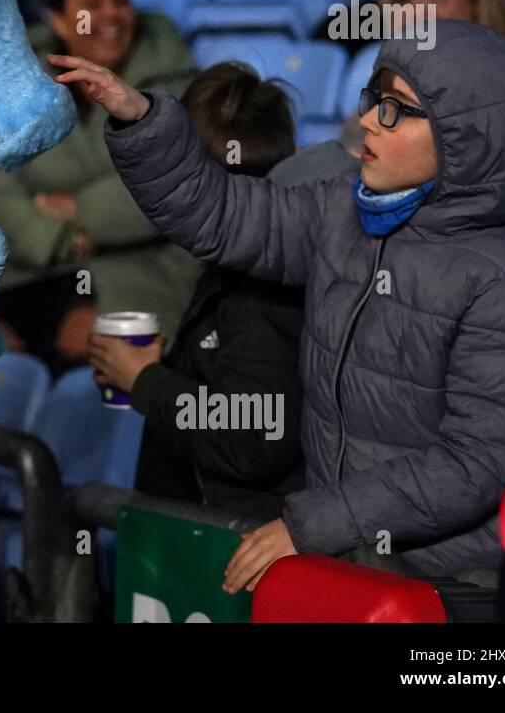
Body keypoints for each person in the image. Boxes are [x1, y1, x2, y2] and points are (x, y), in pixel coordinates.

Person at [51, 19, 505, 591]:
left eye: (397, 109)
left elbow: (474, 463)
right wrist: (141, 119)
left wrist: (311, 525)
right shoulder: (343, 210)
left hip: (467, 588)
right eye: (375, 98)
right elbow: (221, 216)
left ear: (465, 137)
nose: (369, 119)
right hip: (355, 565)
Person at [89, 63, 330, 522]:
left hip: (230, 555)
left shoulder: (258, 284)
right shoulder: (250, 258)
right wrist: (162, 370)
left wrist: (145, 382)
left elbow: (255, 433)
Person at [0, 0, 199, 372]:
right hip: (33, 272)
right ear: (58, 22)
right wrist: (60, 241)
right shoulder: (17, 90)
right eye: (93, 4)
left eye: (121, 1)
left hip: (142, 269)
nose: (111, 14)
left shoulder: (180, 85)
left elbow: (175, 182)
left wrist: (79, 210)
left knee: (88, 348)